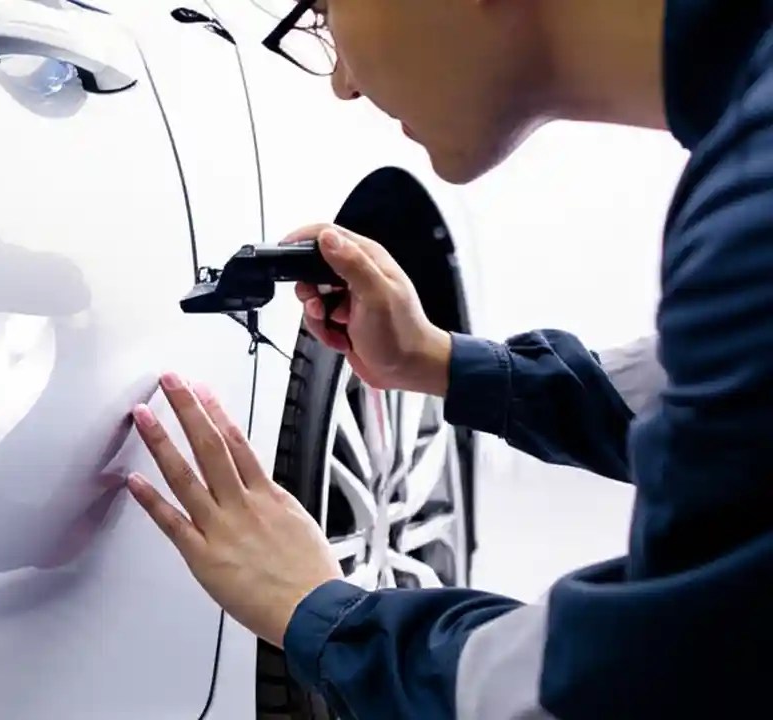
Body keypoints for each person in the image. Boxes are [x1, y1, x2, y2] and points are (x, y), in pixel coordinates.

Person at [124, 0, 773, 717]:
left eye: (323, 9)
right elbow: (720, 398)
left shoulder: (754, 212)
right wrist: (438, 361)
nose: (342, 83)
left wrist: (322, 615)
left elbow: (647, 682)